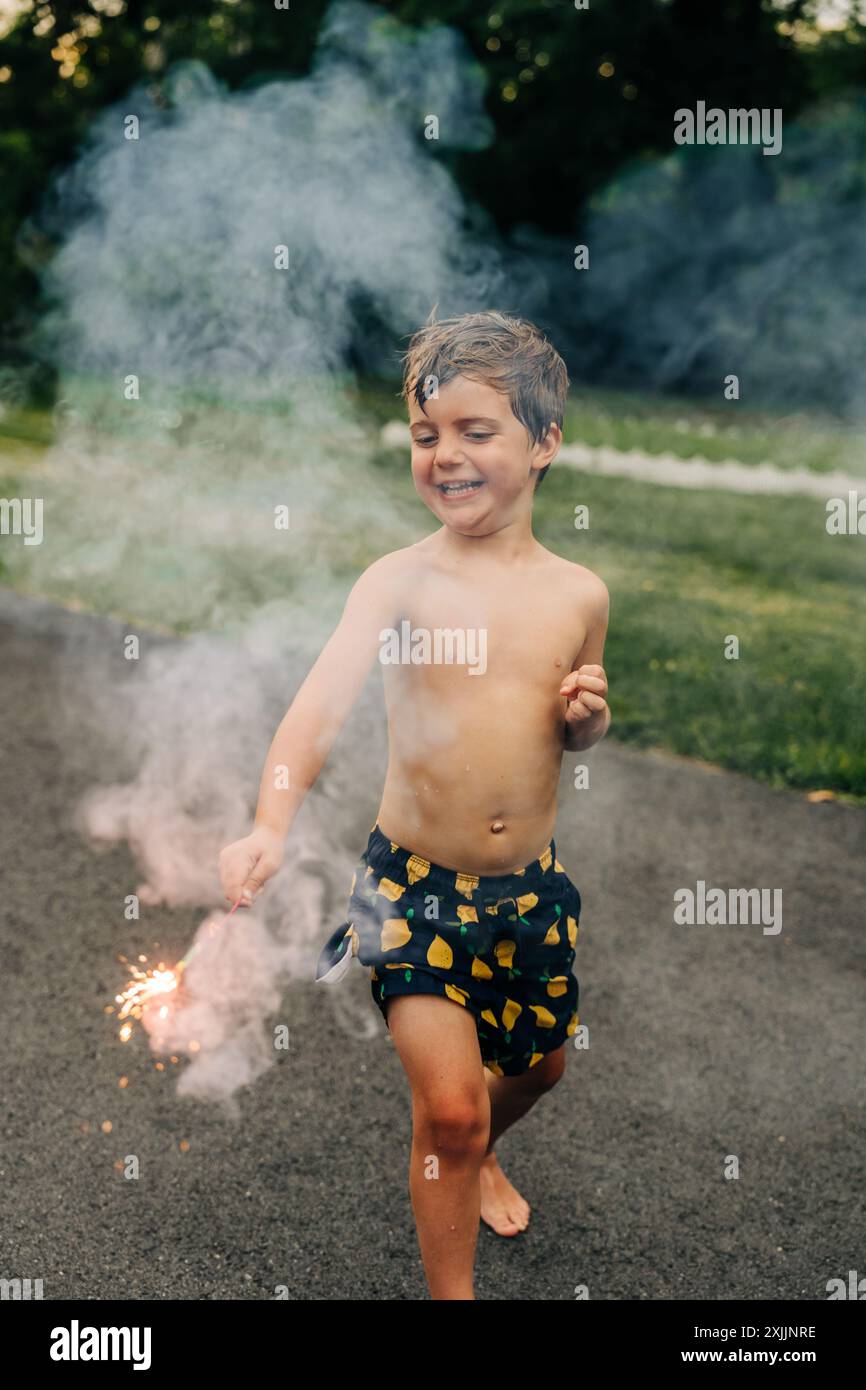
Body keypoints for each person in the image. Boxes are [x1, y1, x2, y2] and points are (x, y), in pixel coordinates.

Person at [219, 309, 610, 1300]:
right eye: (426, 434)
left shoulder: (577, 596)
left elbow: (568, 733)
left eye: (475, 431)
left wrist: (582, 722)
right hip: (406, 893)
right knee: (446, 1111)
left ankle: (477, 1145)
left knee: (540, 1070)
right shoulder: (397, 584)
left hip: (526, 892)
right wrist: (269, 820)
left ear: (544, 440)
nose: (444, 454)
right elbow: (314, 711)